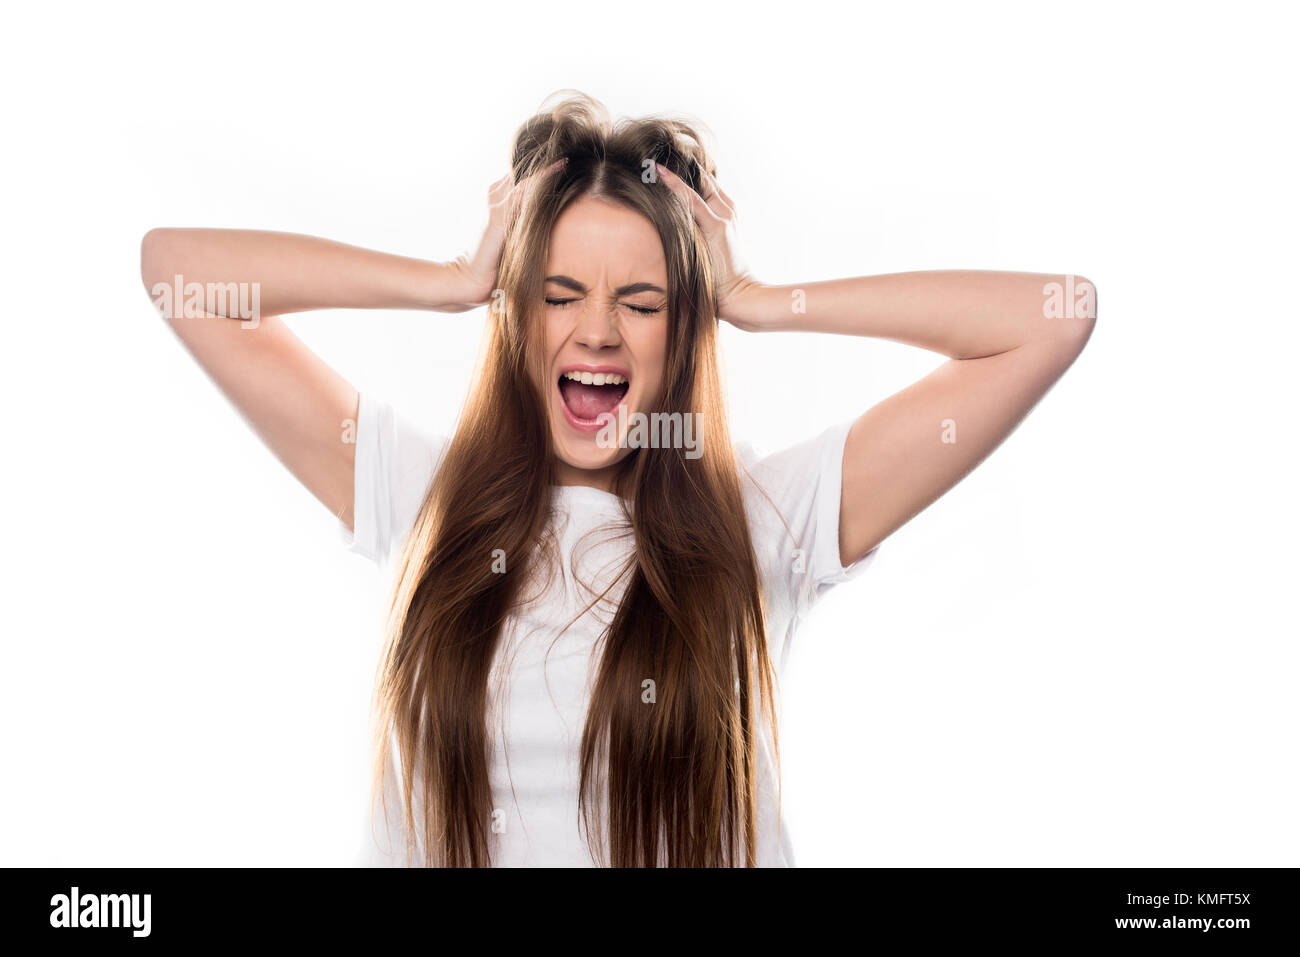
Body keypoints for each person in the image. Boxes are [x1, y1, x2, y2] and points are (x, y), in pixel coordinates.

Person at [138, 91, 1096, 867]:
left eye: (641, 303)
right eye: (558, 295)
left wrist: (757, 302)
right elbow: (179, 274)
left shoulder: (767, 518)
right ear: (516, 316)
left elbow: (1051, 320)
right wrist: (450, 278)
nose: (596, 331)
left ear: (684, 333)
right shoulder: (421, 492)